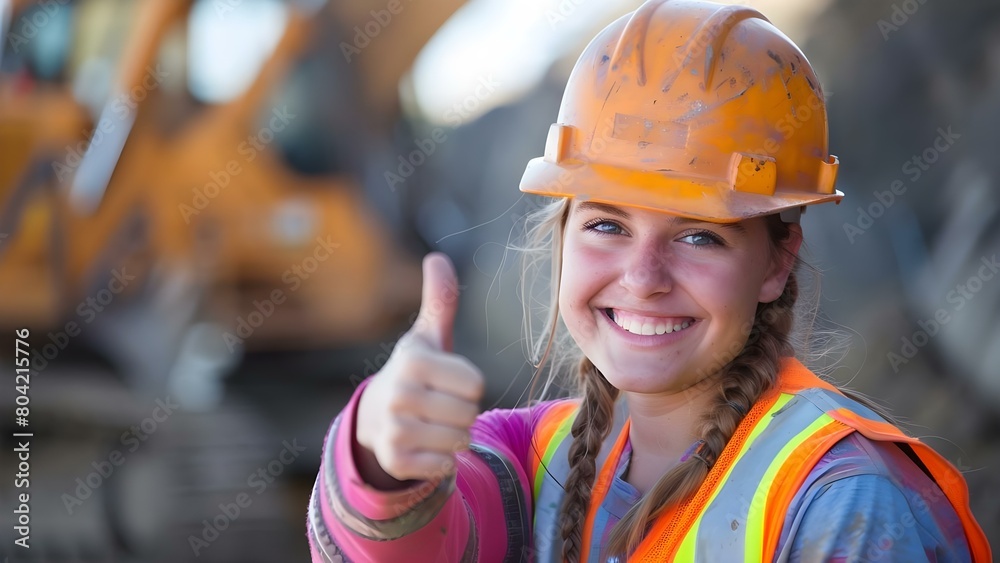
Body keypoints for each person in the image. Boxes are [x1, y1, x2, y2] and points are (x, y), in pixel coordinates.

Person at [306, 0, 992, 561]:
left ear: (777, 260)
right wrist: (379, 450)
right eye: (607, 225)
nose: (643, 276)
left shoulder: (841, 496)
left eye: (699, 235)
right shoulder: (532, 457)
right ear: (562, 236)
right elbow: (410, 544)